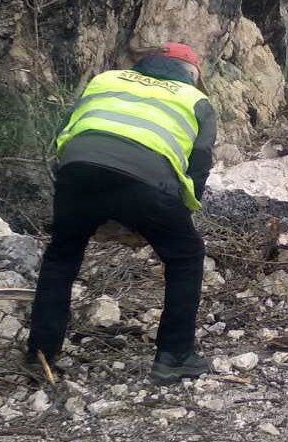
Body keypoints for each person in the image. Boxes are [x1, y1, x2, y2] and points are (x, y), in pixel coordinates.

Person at [26, 43, 217, 384]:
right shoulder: (196, 101)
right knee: (187, 254)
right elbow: (197, 169)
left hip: (78, 169)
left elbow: (65, 134)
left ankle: (40, 354)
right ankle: (174, 356)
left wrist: (81, 196)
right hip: (147, 180)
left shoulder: (105, 79)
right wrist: (176, 215)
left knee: (61, 256)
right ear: (191, 75)